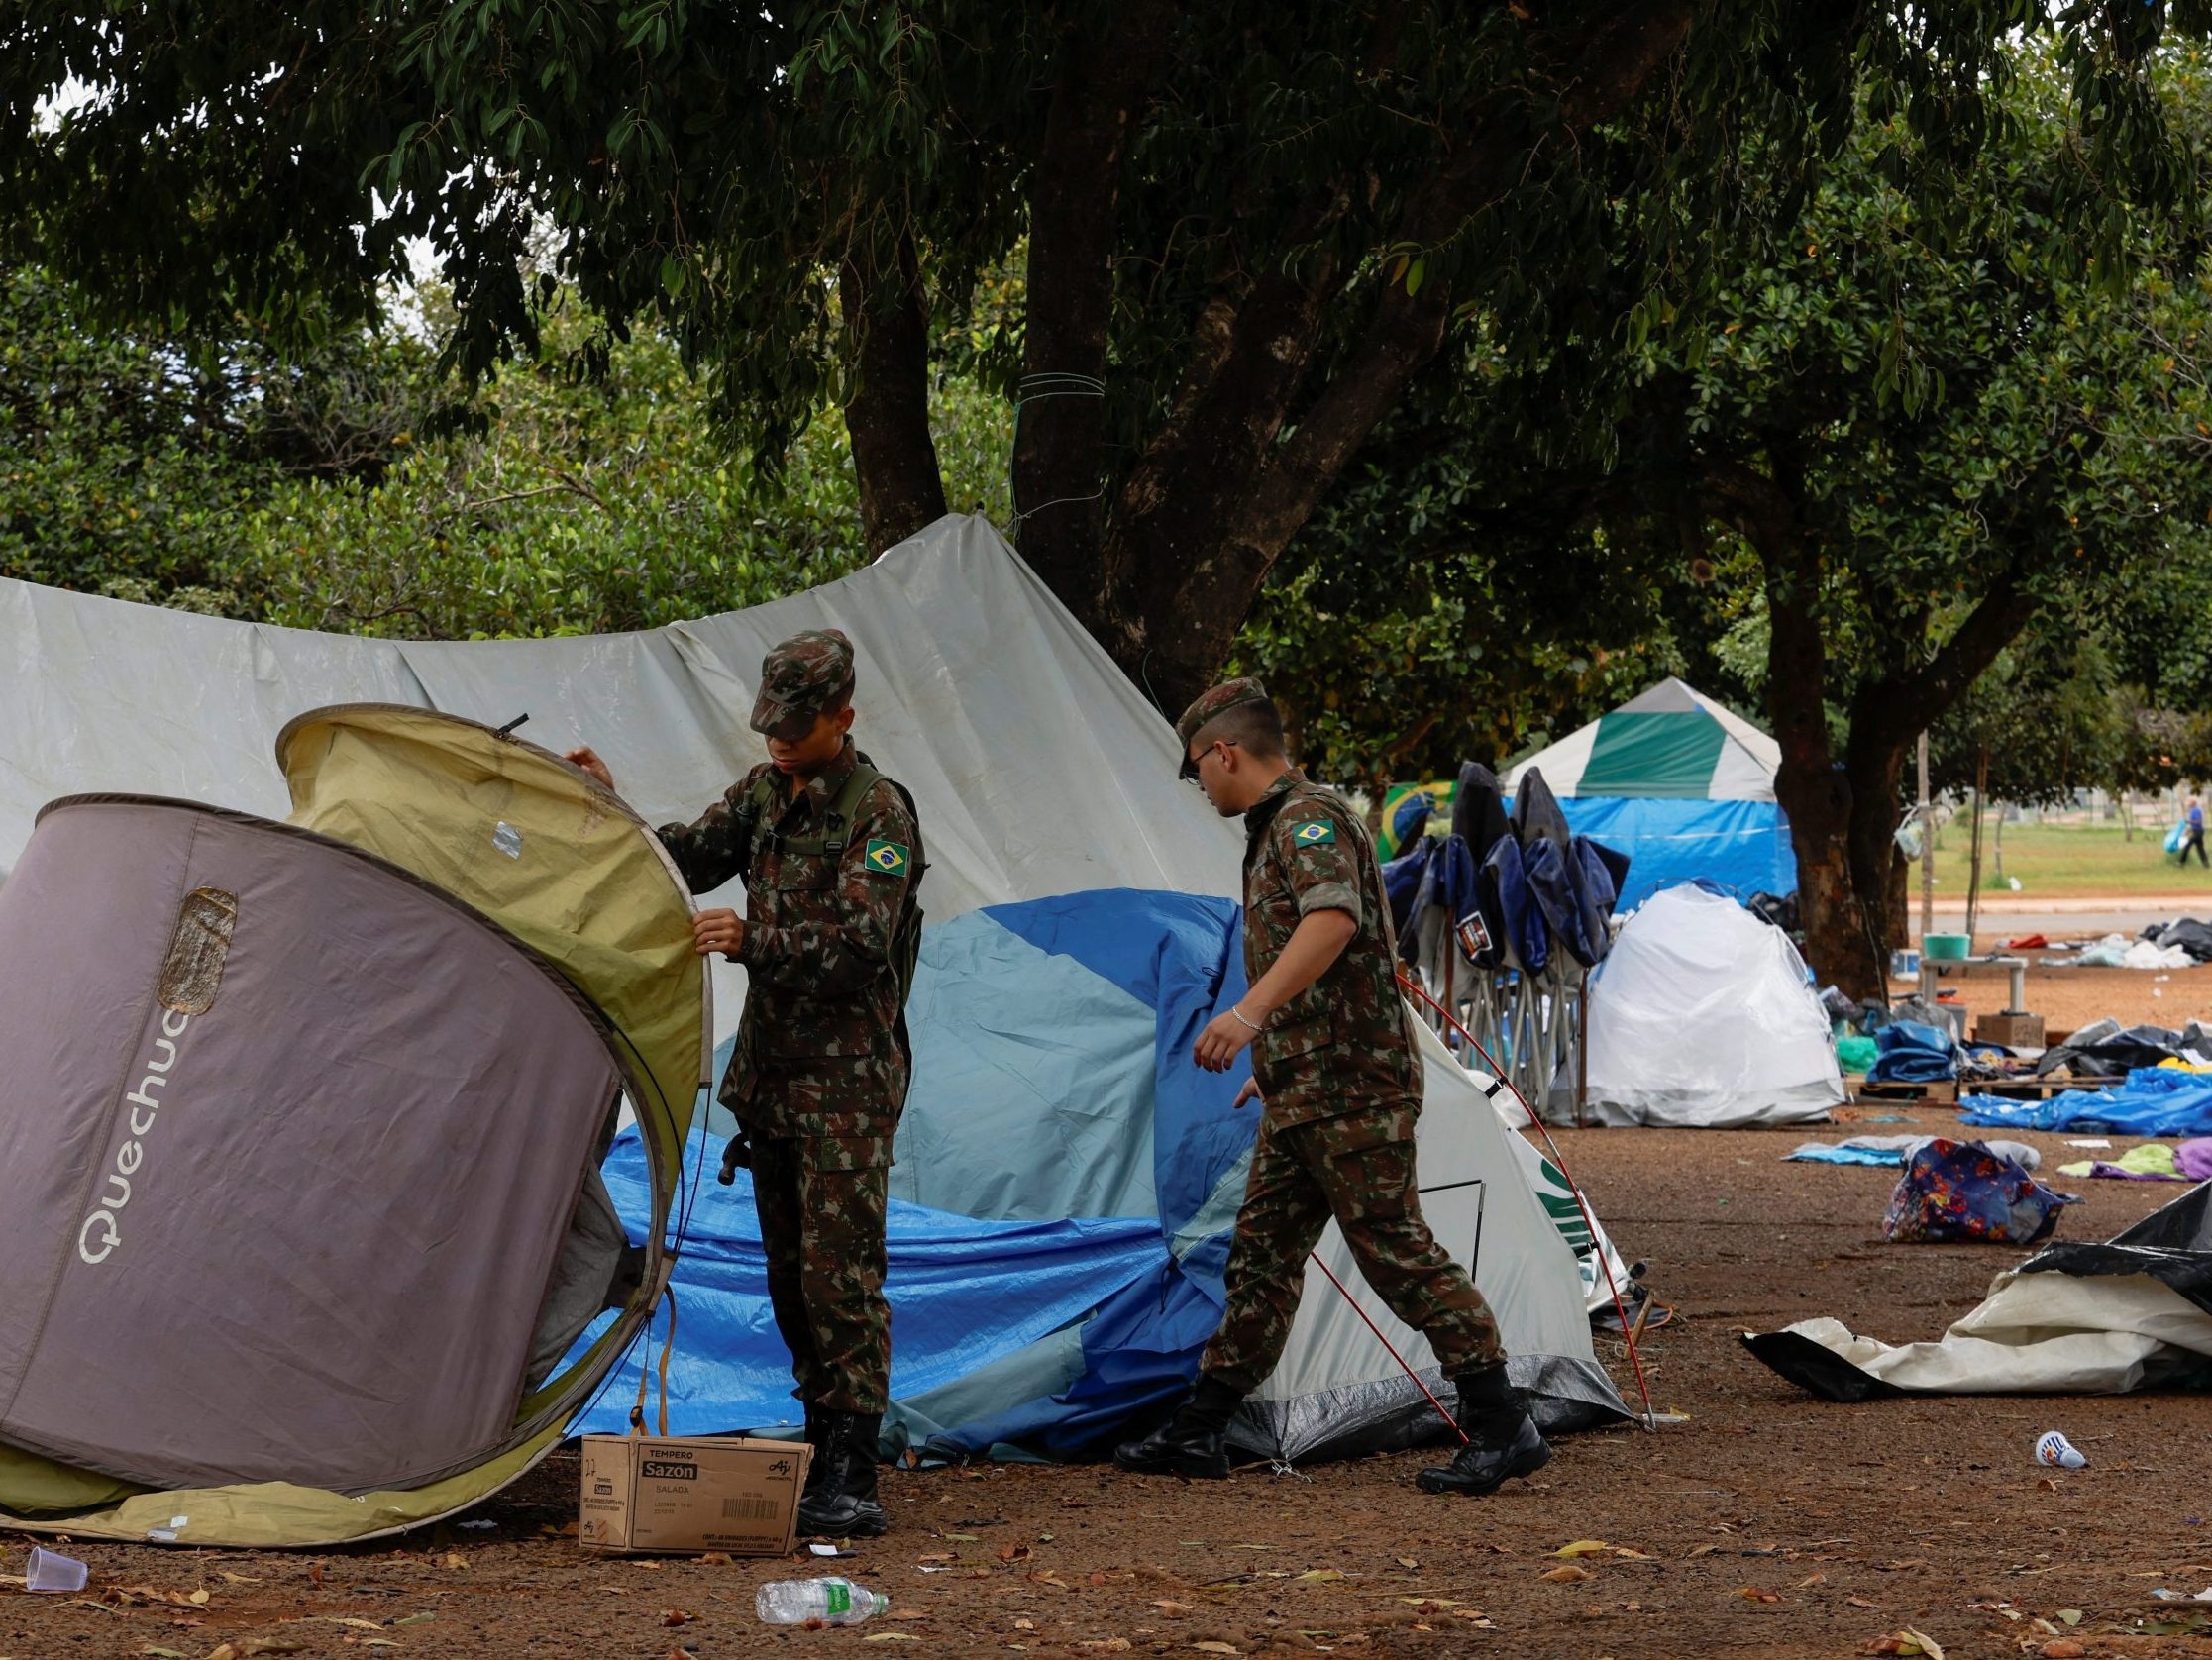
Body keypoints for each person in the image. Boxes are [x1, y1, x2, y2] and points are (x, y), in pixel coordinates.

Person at [1113, 678, 1547, 1497]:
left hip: (1351, 1088)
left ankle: (1500, 1423)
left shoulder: (1307, 820)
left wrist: (1247, 1016)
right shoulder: (1278, 825)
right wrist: (1275, 1058)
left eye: (1196, 770)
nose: (1199, 786)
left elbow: (1332, 921)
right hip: (1307, 1086)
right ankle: (1201, 1428)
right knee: (1262, 1257)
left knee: (1395, 1252)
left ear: (1224, 753)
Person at [567, 629, 920, 1538]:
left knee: (842, 1281)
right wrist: (611, 806)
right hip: (770, 1085)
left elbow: (860, 947)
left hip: (845, 1091)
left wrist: (751, 939)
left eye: (798, 726)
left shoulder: (877, 813)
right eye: (770, 723)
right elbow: (680, 857)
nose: (778, 739)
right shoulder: (764, 795)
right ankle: (818, 1443)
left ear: (844, 718)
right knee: (791, 1281)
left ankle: (854, 1468)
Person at [2183, 795, 2207, 869]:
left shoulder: (2196, 810)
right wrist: (2187, 832)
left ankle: (2181, 862)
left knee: (2187, 846)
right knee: (2200, 848)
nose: (2188, 804)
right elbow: (2193, 824)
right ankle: (2206, 864)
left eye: (2189, 802)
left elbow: (2199, 822)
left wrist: (2189, 821)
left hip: (2198, 832)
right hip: (2197, 831)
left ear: (2193, 803)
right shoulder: (2193, 810)